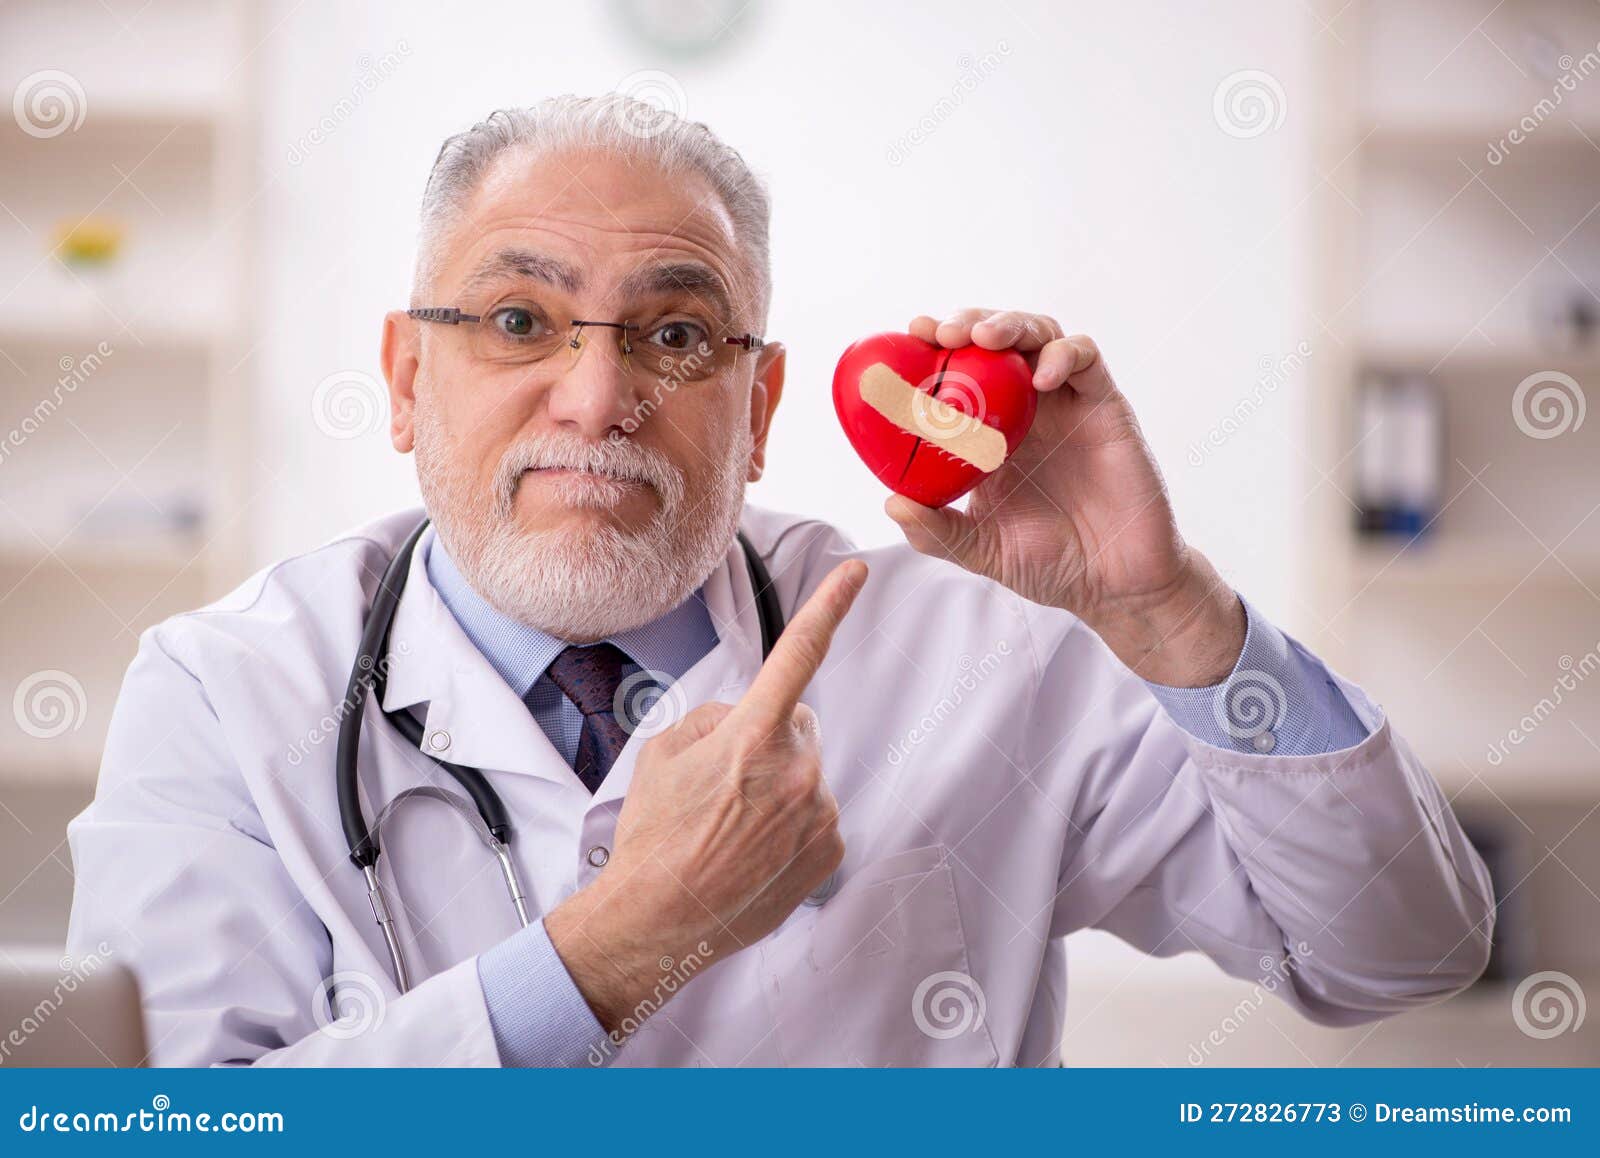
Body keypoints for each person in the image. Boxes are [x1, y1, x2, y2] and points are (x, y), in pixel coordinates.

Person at [66, 95, 1493, 1067]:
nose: (597, 396)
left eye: (678, 336)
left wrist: (1167, 610)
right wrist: (615, 948)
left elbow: (1402, 953)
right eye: (517, 319)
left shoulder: (986, 649)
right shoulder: (229, 691)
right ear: (403, 378)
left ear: (759, 410)